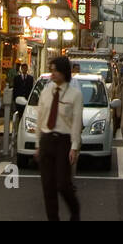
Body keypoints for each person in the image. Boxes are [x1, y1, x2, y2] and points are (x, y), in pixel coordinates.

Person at [33, 56, 82, 221]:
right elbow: (40, 118)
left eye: (56, 70)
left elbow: (76, 122)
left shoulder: (75, 95)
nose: (52, 73)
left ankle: (75, 210)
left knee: (62, 183)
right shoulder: (46, 92)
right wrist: (38, 144)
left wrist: (74, 147)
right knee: (48, 186)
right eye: (51, 70)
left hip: (64, 141)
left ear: (64, 72)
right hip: (46, 139)